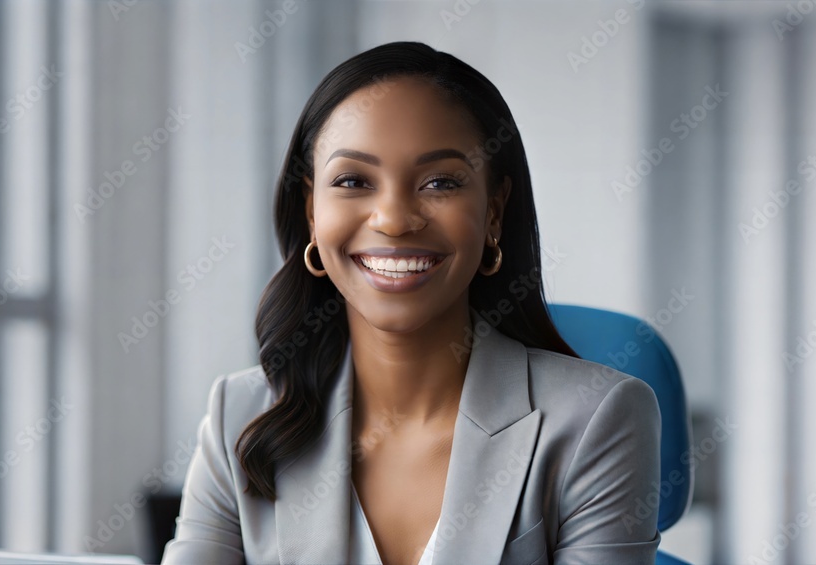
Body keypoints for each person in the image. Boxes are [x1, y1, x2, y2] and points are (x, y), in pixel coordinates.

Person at [161, 41, 661, 565]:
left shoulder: (596, 419)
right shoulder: (241, 417)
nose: (394, 220)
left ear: (493, 211)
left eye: (439, 182)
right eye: (353, 181)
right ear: (311, 212)